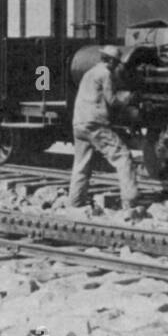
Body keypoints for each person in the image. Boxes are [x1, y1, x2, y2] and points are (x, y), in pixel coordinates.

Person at [67, 45, 140, 215]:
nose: (117, 67)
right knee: (123, 156)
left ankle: (75, 202)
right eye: (117, 64)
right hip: (95, 123)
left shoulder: (89, 73)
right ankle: (130, 201)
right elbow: (112, 100)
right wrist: (128, 99)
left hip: (79, 123)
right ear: (112, 61)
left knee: (81, 164)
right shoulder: (105, 74)